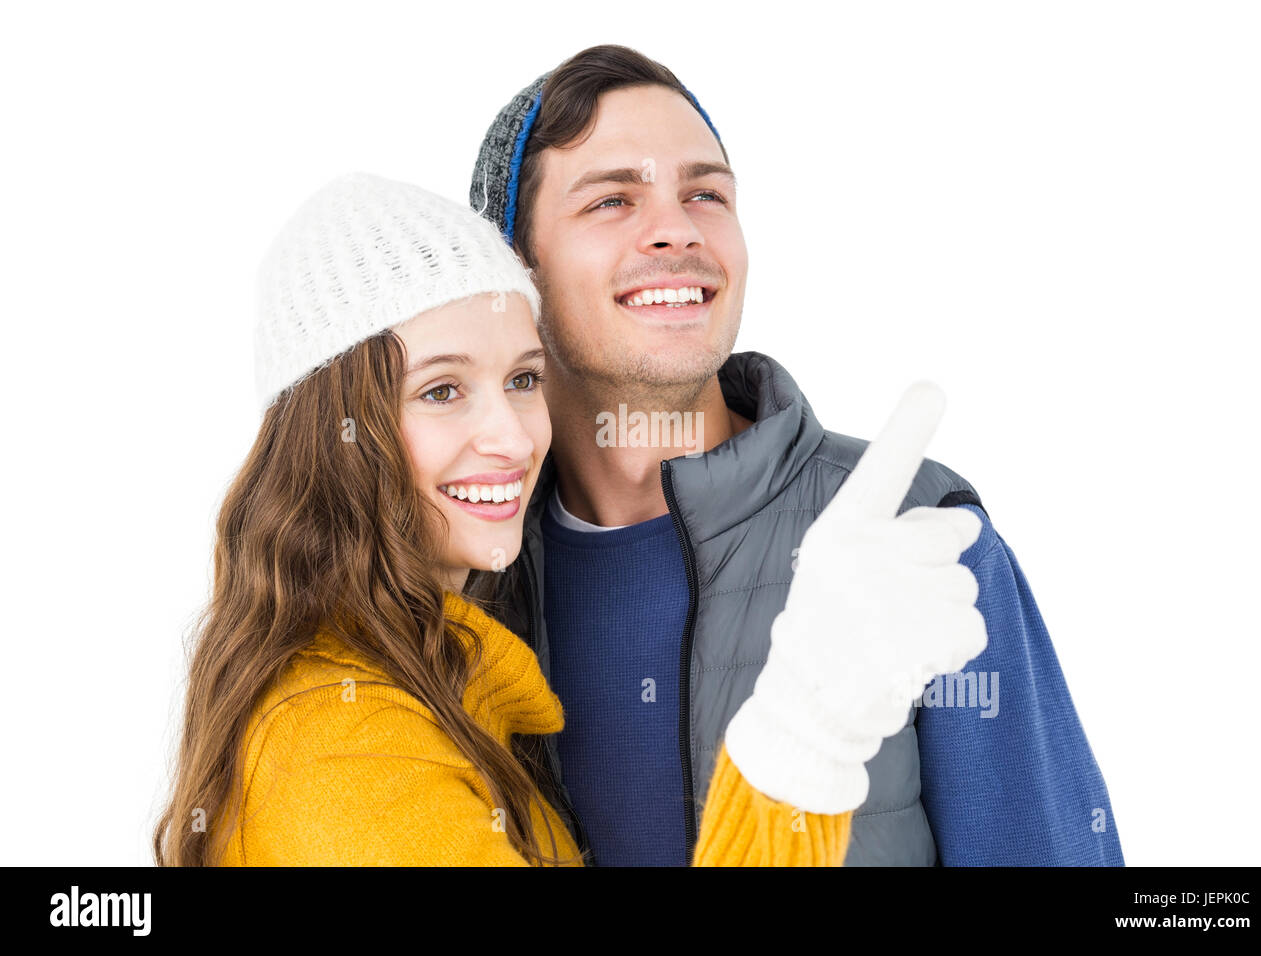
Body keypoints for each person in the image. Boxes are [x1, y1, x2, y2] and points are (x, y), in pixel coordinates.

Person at [151, 172, 986, 866]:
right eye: (442, 391)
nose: (511, 436)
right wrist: (801, 740)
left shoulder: (444, 676)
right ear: (333, 436)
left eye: (522, 379)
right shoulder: (345, 745)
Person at [467, 43, 1125, 866]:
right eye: (612, 201)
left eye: (706, 193)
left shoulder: (913, 537)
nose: (675, 230)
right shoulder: (467, 576)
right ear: (513, 269)